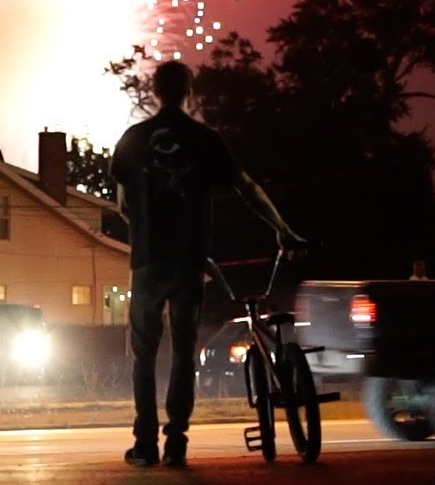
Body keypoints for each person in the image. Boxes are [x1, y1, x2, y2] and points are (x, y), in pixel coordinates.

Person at [110, 60, 306, 468]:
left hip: (148, 263)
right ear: (190, 92)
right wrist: (282, 228)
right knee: (184, 350)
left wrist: (149, 225)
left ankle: (144, 443)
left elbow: (124, 206)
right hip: (189, 261)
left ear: (155, 92)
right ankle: (176, 442)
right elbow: (246, 186)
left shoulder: (132, 139)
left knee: (143, 354)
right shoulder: (205, 139)